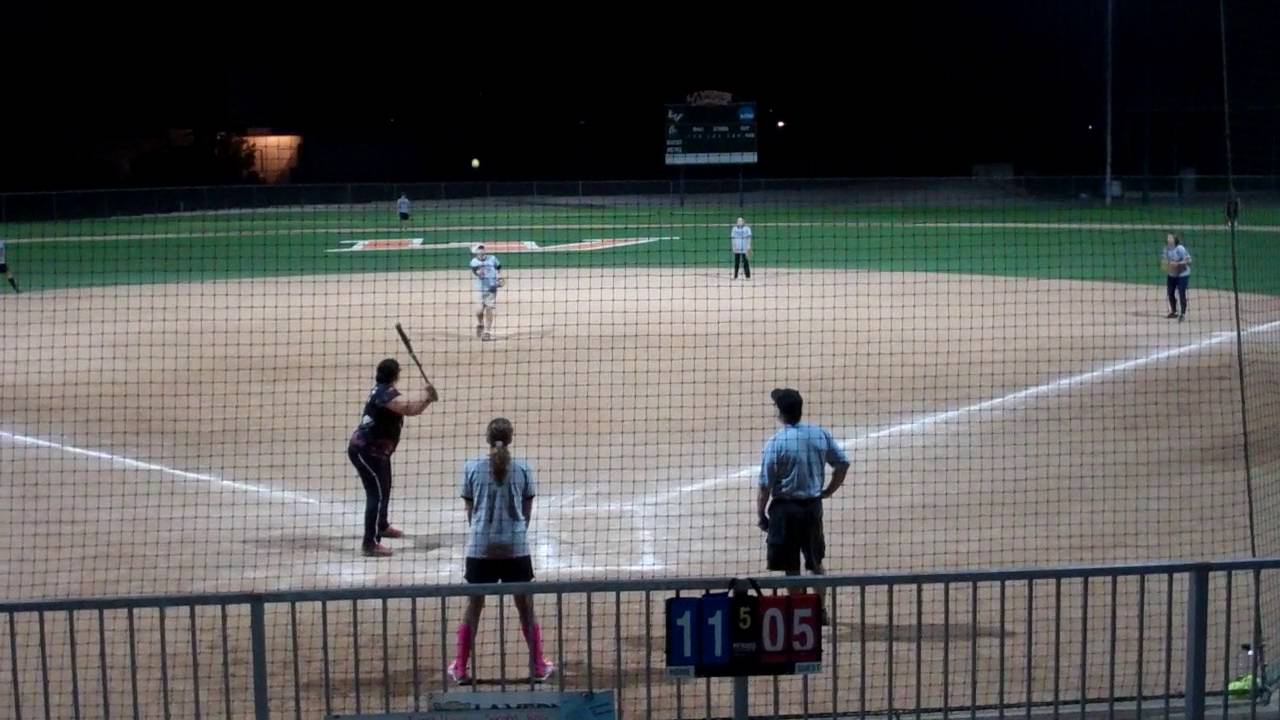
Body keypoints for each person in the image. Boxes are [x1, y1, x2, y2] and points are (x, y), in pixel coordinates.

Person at [448, 417, 556, 685]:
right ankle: (538, 665)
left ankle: (460, 667)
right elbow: (526, 512)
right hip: (516, 548)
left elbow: (470, 511)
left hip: (480, 548)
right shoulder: (523, 468)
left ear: (487, 438)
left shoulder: (472, 467)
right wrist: (515, 533)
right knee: (526, 607)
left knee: (474, 606)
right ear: (510, 438)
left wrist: (483, 532)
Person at [757, 388, 850, 621]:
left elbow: (765, 486)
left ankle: (799, 615)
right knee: (815, 562)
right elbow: (842, 464)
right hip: (812, 507)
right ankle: (821, 611)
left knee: (791, 567)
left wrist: (761, 514)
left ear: (779, 412)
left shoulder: (776, 443)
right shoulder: (819, 434)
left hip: (785, 511)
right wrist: (828, 490)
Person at [347, 358, 437, 557]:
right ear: (396, 375)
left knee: (384, 487)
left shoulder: (384, 390)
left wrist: (427, 399)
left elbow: (410, 407)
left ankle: (382, 525)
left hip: (377, 453)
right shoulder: (384, 394)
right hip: (366, 452)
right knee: (376, 494)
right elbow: (409, 409)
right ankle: (369, 543)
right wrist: (427, 396)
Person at [470, 244, 503, 341]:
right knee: (479, 310)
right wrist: (478, 273)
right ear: (475, 252)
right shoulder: (474, 262)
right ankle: (480, 323)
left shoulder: (492, 258)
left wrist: (499, 278)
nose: (481, 250)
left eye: (482, 248)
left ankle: (487, 332)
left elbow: (498, 268)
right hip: (480, 289)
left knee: (489, 308)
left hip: (492, 288)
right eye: (479, 249)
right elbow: (475, 271)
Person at [1162, 233, 1192, 321]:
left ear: (1174, 240)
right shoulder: (1166, 249)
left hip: (1183, 274)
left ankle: (1182, 313)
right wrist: (1166, 265)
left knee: (1181, 292)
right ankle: (1174, 312)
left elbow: (1189, 261)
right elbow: (1164, 262)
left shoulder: (1180, 248)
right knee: (1170, 292)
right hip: (1172, 274)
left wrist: (1178, 264)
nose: (1167, 239)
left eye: (1170, 238)